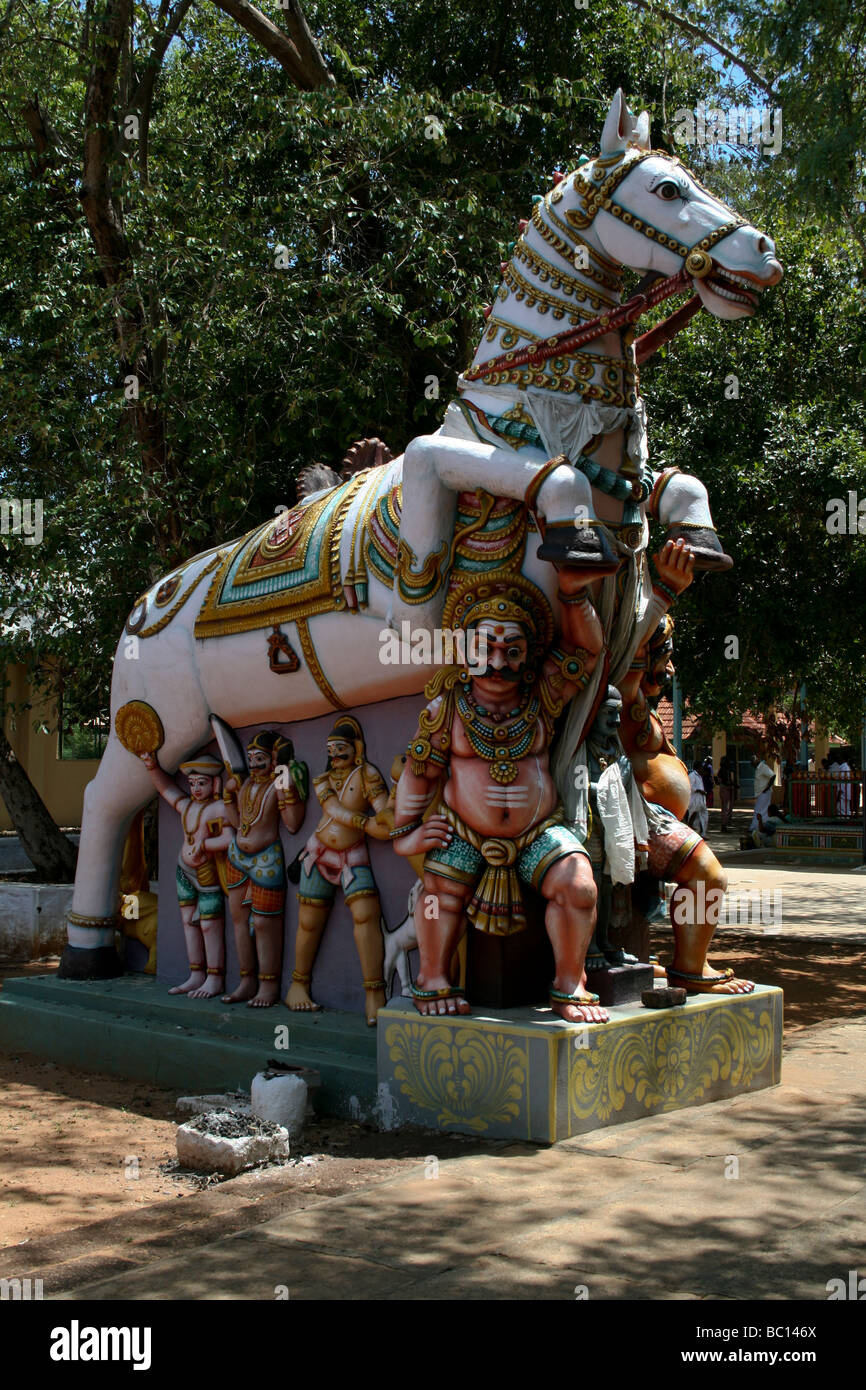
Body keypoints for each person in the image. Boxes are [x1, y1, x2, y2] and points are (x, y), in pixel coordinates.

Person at [392, 568, 608, 1024]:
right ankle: (432, 978)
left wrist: (573, 594)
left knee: (579, 886)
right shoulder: (446, 708)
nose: (498, 660)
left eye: (512, 650)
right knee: (436, 891)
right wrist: (406, 835)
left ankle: (570, 983)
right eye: (484, 647)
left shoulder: (544, 695)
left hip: (537, 833)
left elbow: (587, 652)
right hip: (464, 834)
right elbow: (418, 772)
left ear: (528, 655)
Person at [287, 718, 392, 1026]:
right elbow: (332, 810)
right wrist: (365, 823)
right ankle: (298, 985)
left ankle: (374, 993)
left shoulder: (368, 774)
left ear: (356, 749)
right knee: (308, 922)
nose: (335, 755)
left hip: (353, 855)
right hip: (318, 851)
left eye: (341, 749)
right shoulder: (322, 780)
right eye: (331, 750)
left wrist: (388, 815)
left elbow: (384, 813)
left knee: (366, 915)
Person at [220, 730, 307, 1007]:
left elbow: (292, 824)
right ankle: (247, 980)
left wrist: (287, 792)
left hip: (266, 860)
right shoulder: (246, 785)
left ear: (273, 759)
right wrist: (227, 796)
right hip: (237, 856)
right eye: (250, 759)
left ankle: (268, 985)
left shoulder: (277, 783)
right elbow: (236, 822)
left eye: (260, 758)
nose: (254, 764)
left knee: (264, 924)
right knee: (239, 922)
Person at [139, 751, 227, 997]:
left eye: (202, 783)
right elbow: (166, 790)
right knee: (189, 924)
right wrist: (152, 766)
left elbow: (232, 837)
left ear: (215, 783)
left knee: (210, 926)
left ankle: (214, 977)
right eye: (192, 783)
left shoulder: (219, 808)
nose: (196, 789)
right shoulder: (187, 806)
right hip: (184, 872)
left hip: (207, 874)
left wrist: (206, 844)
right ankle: (196, 974)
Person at [750, 753, 776, 832]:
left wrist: (767, 787)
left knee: (759, 810)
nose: (751, 765)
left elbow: (773, 776)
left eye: (752, 762)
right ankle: (760, 826)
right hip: (761, 793)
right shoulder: (758, 769)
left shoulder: (763, 767)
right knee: (761, 810)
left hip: (764, 792)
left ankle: (755, 827)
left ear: (756, 761)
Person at [716, 753, 738, 832]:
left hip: (727, 788)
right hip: (726, 788)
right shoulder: (723, 770)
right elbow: (720, 780)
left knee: (727, 807)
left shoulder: (726, 770)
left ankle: (726, 823)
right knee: (726, 807)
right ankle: (724, 824)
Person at [686, 764, 708, 837]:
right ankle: (690, 831)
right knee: (693, 815)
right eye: (701, 768)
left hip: (700, 799)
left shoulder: (699, 776)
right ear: (698, 768)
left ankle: (702, 834)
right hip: (695, 799)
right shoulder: (692, 776)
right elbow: (690, 787)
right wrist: (699, 791)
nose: (703, 770)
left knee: (703, 816)